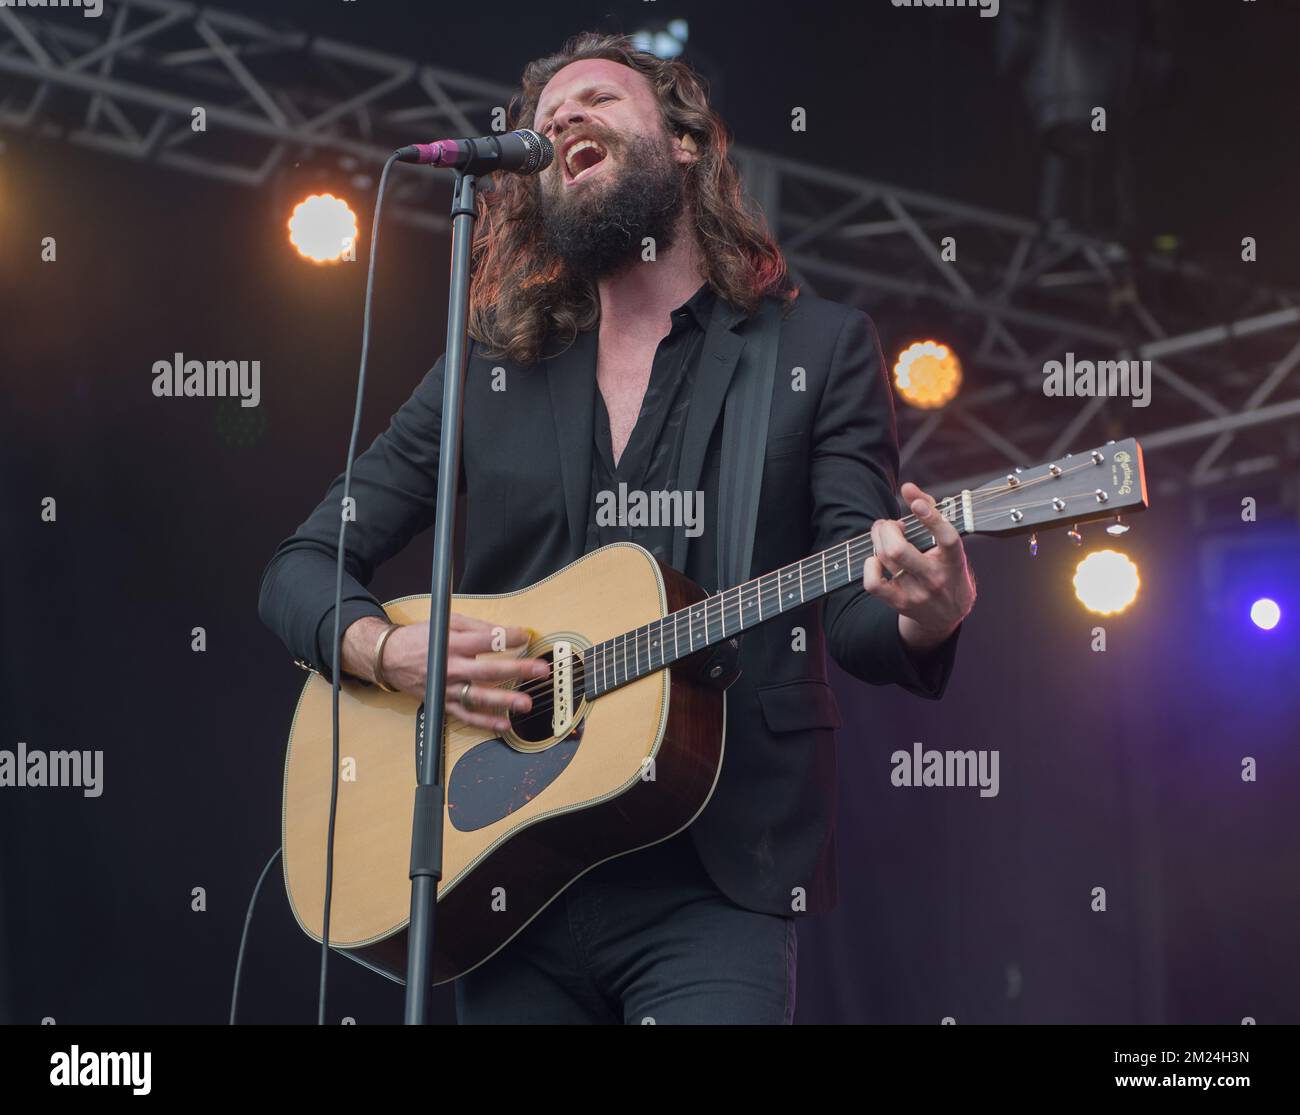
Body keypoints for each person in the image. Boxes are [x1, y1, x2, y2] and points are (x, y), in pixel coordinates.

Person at [259, 32, 976, 1024]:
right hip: (506, 879)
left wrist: (923, 615)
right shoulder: (488, 372)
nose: (561, 123)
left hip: (716, 875)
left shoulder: (815, 348)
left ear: (684, 142)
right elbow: (301, 564)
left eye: (597, 99)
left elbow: (853, 607)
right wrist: (386, 649)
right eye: (544, 121)